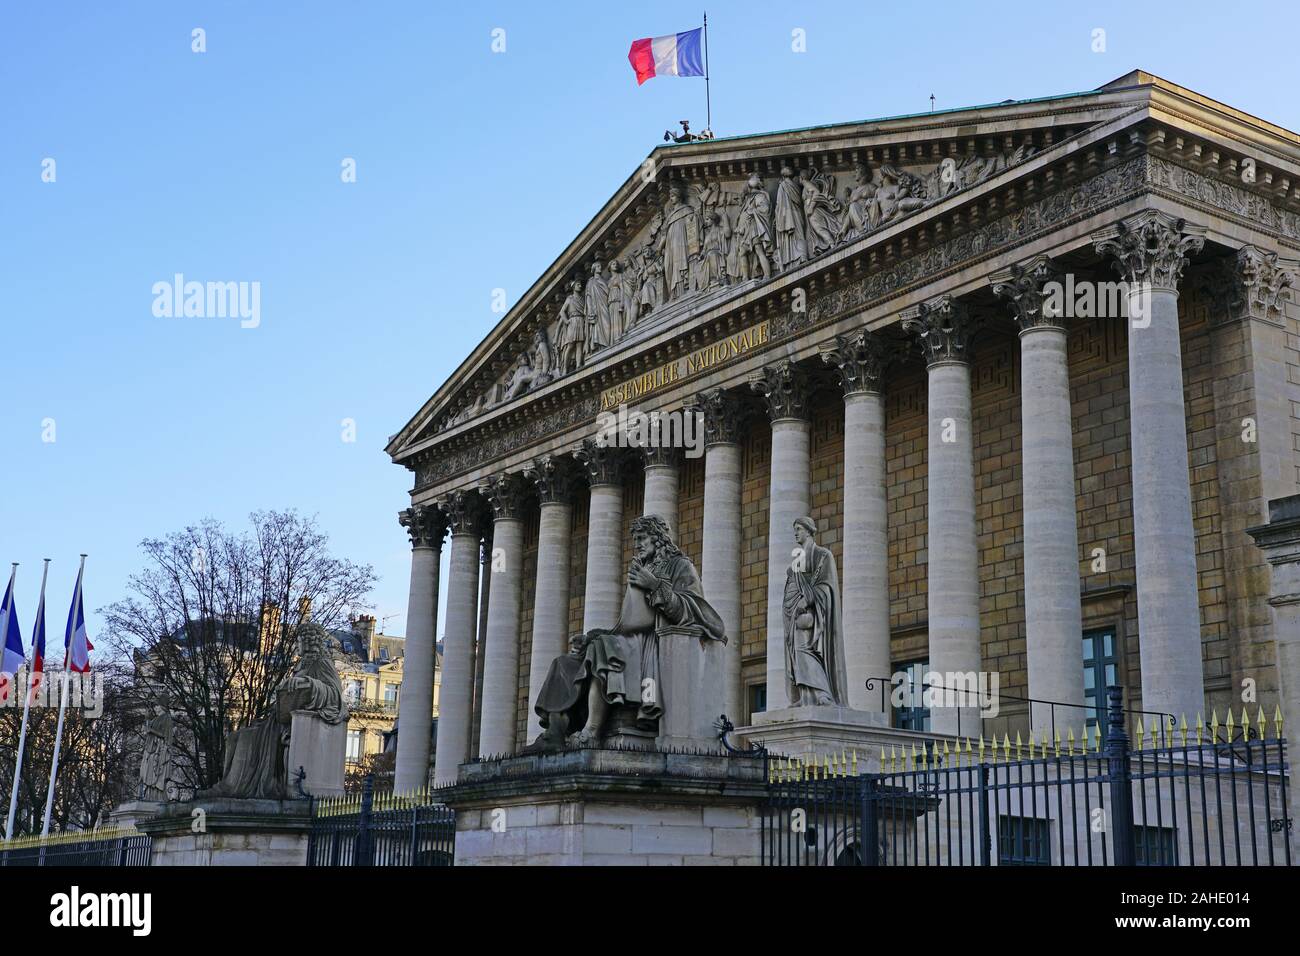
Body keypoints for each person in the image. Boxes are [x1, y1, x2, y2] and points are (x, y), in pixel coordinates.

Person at [529, 515, 724, 749]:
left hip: (656, 640)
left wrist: (654, 585)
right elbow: (627, 621)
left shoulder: (680, 566)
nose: (638, 544)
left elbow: (692, 611)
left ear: (658, 538)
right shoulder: (642, 567)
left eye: (642, 538)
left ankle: (592, 730)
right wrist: (593, 635)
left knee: (603, 648)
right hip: (631, 638)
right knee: (565, 661)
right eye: (636, 540)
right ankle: (557, 728)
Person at [782, 516, 847, 706]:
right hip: (793, 613)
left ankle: (822, 693)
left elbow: (826, 586)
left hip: (812, 614)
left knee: (807, 649)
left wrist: (808, 598)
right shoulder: (798, 559)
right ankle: (805, 696)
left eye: (799, 529)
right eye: (795, 529)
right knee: (798, 652)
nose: (796, 533)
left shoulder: (822, 555)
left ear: (810, 531)